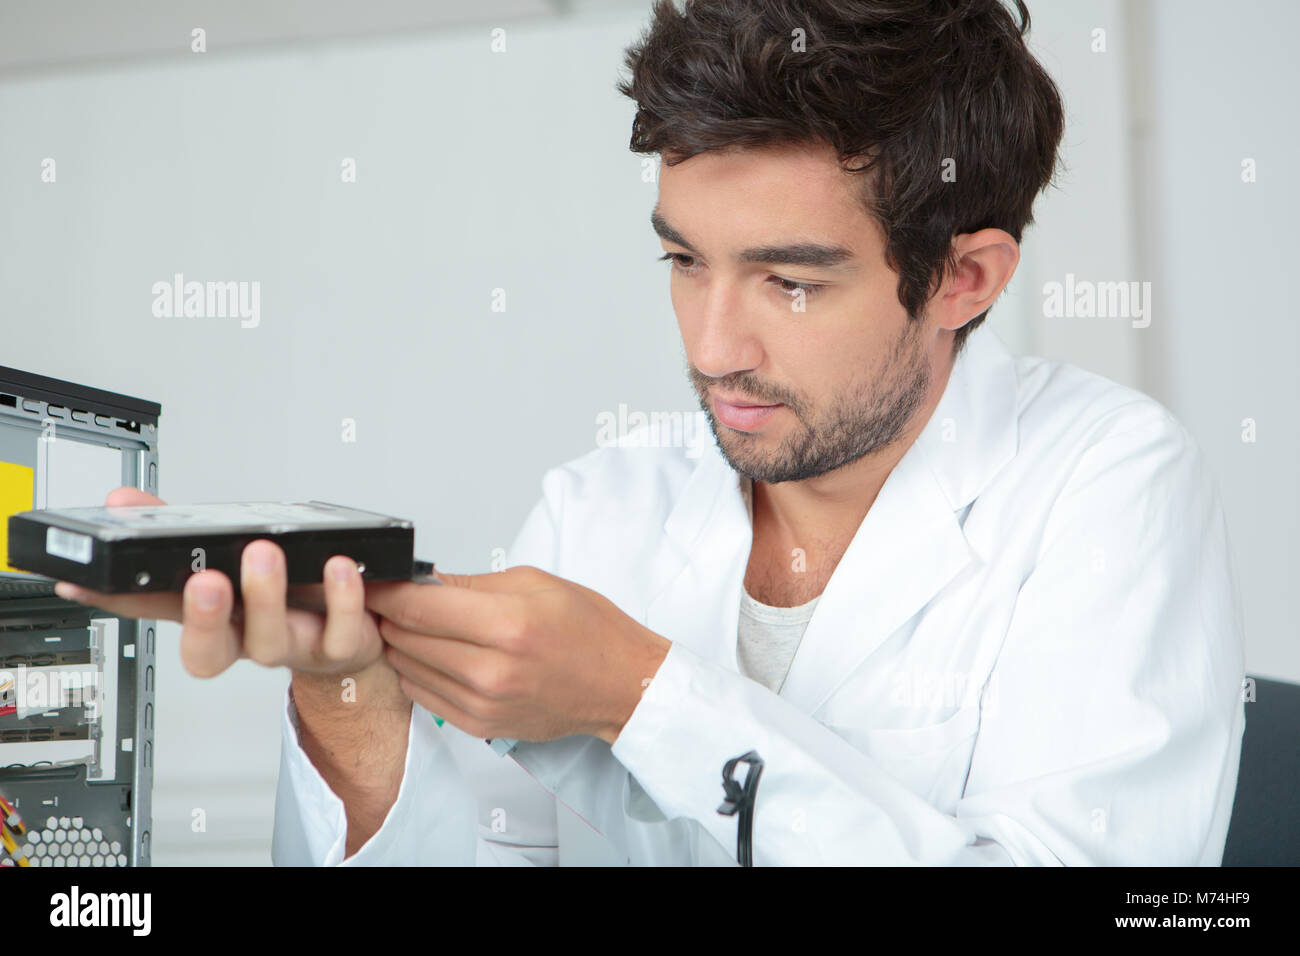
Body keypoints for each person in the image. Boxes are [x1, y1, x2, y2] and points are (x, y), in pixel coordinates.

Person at [57, 0, 1245, 865]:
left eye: (789, 281)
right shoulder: (601, 505)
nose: (713, 346)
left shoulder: (1107, 481)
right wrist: (349, 693)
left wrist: (636, 693)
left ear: (963, 277)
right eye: (683, 260)